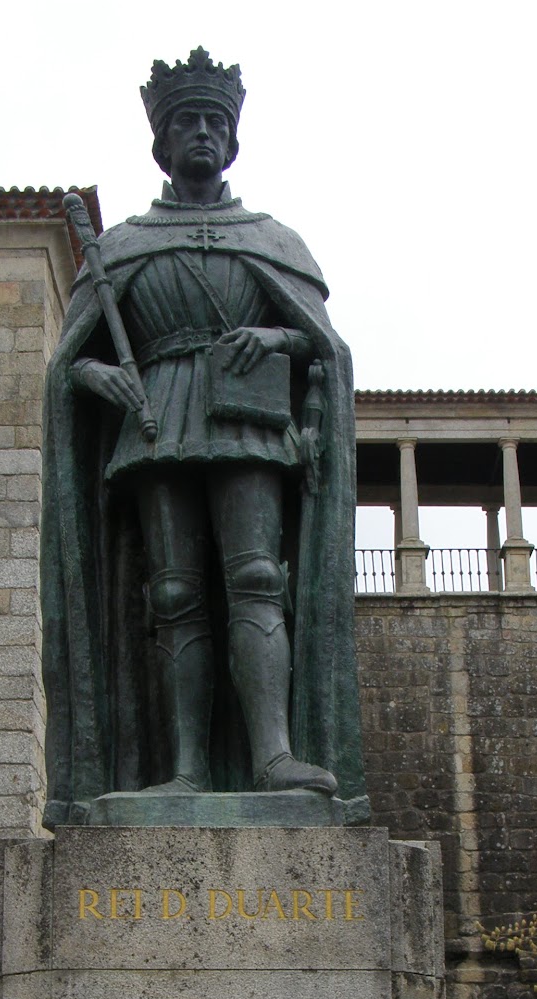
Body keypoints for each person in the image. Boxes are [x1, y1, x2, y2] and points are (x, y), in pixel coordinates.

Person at [39, 47, 369, 827]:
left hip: (246, 418)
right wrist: (95, 379)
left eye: (214, 121)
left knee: (257, 576)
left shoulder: (273, 240)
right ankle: (184, 768)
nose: (201, 132)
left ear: (233, 140)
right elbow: (68, 364)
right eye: (186, 120)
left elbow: (326, 347)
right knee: (176, 593)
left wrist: (278, 341)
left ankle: (275, 756)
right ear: (161, 140)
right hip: (155, 417)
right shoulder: (120, 245)